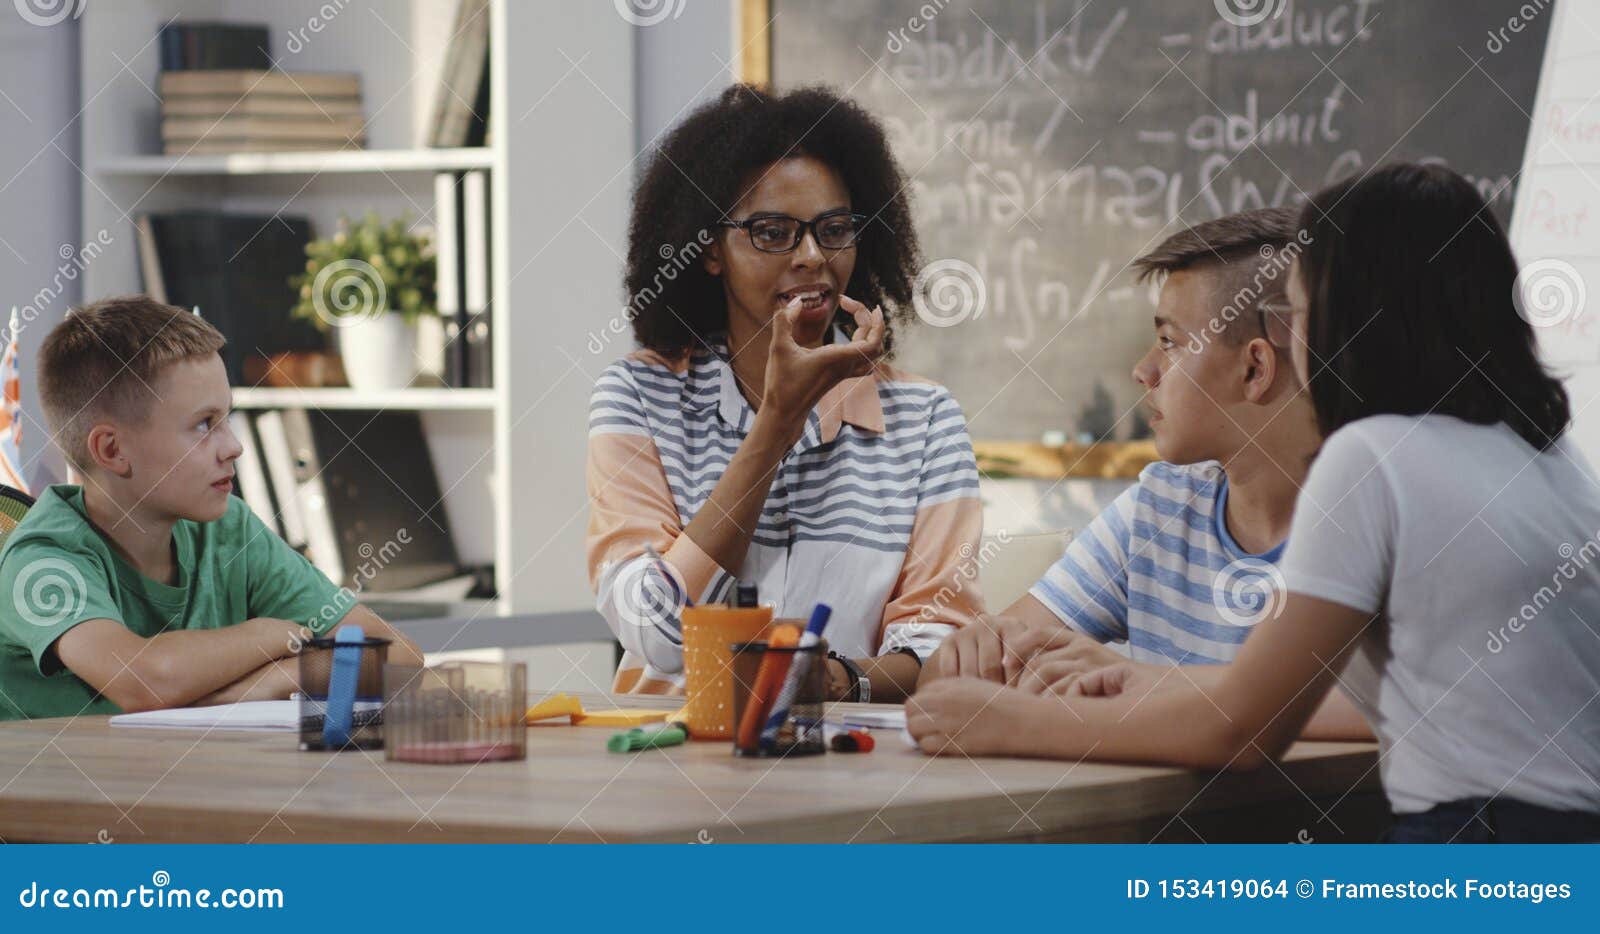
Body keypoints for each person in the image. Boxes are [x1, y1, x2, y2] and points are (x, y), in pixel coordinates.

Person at [909, 162, 1600, 843]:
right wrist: (1140, 678)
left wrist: (1001, 724)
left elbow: (1243, 730)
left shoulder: (1373, 458)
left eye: (1301, 313)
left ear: (1358, 319)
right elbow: (1362, 703)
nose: (1297, 347)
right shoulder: (1546, 456)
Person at [587, 85, 984, 703]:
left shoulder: (926, 420)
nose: (811, 257)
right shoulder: (638, 396)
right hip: (672, 765)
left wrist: (841, 680)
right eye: (772, 232)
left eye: (834, 229)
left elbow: (939, 650)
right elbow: (659, 633)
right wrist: (776, 423)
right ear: (711, 249)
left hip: (845, 767)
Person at [921, 207, 1368, 740]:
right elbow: (950, 678)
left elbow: (1393, 710)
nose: (1143, 370)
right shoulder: (1158, 510)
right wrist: (967, 655)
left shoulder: (1371, 515)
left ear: (1254, 368)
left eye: (1170, 342)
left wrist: (1143, 682)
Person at [0, 297, 423, 720]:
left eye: (227, 419)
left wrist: (278, 679)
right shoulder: (39, 562)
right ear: (112, 450)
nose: (234, 446)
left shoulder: (228, 531)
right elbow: (145, 681)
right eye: (204, 425)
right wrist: (270, 635)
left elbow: (397, 658)